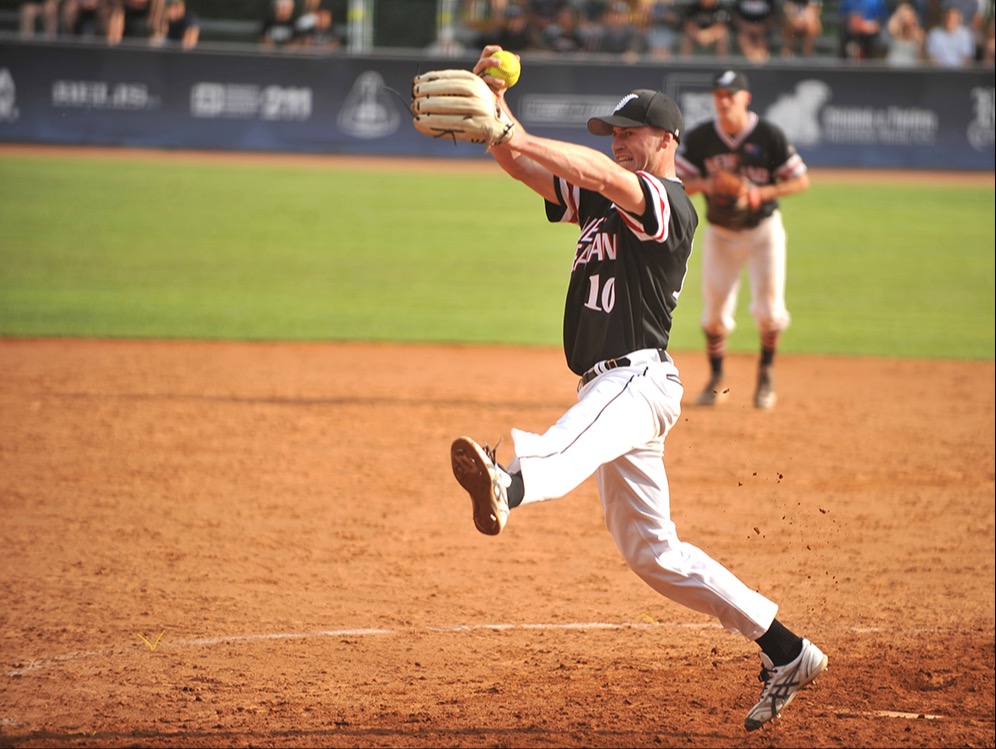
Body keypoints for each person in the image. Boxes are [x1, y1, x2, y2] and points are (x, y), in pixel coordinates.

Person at [445, 45, 828, 732]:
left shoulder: (668, 200)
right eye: (612, 134)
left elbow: (584, 167)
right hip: (616, 385)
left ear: (665, 142)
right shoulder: (603, 197)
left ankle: (508, 479)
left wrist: (519, 130)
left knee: (571, 442)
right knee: (653, 554)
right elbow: (526, 165)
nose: (617, 143)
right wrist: (492, 111)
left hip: (636, 378)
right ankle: (787, 648)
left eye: (629, 133)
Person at [675, 70, 810, 410]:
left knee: (769, 312)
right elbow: (676, 184)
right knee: (715, 315)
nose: (723, 101)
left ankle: (765, 372)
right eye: (718, 95)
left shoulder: (768, 135)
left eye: (730, 95)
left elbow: (800, 180)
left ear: (745, 98)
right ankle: (716, 377)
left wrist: (762, 192)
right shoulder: (702, 138)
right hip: (721, 234)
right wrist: (708, 185)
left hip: (763, 232)